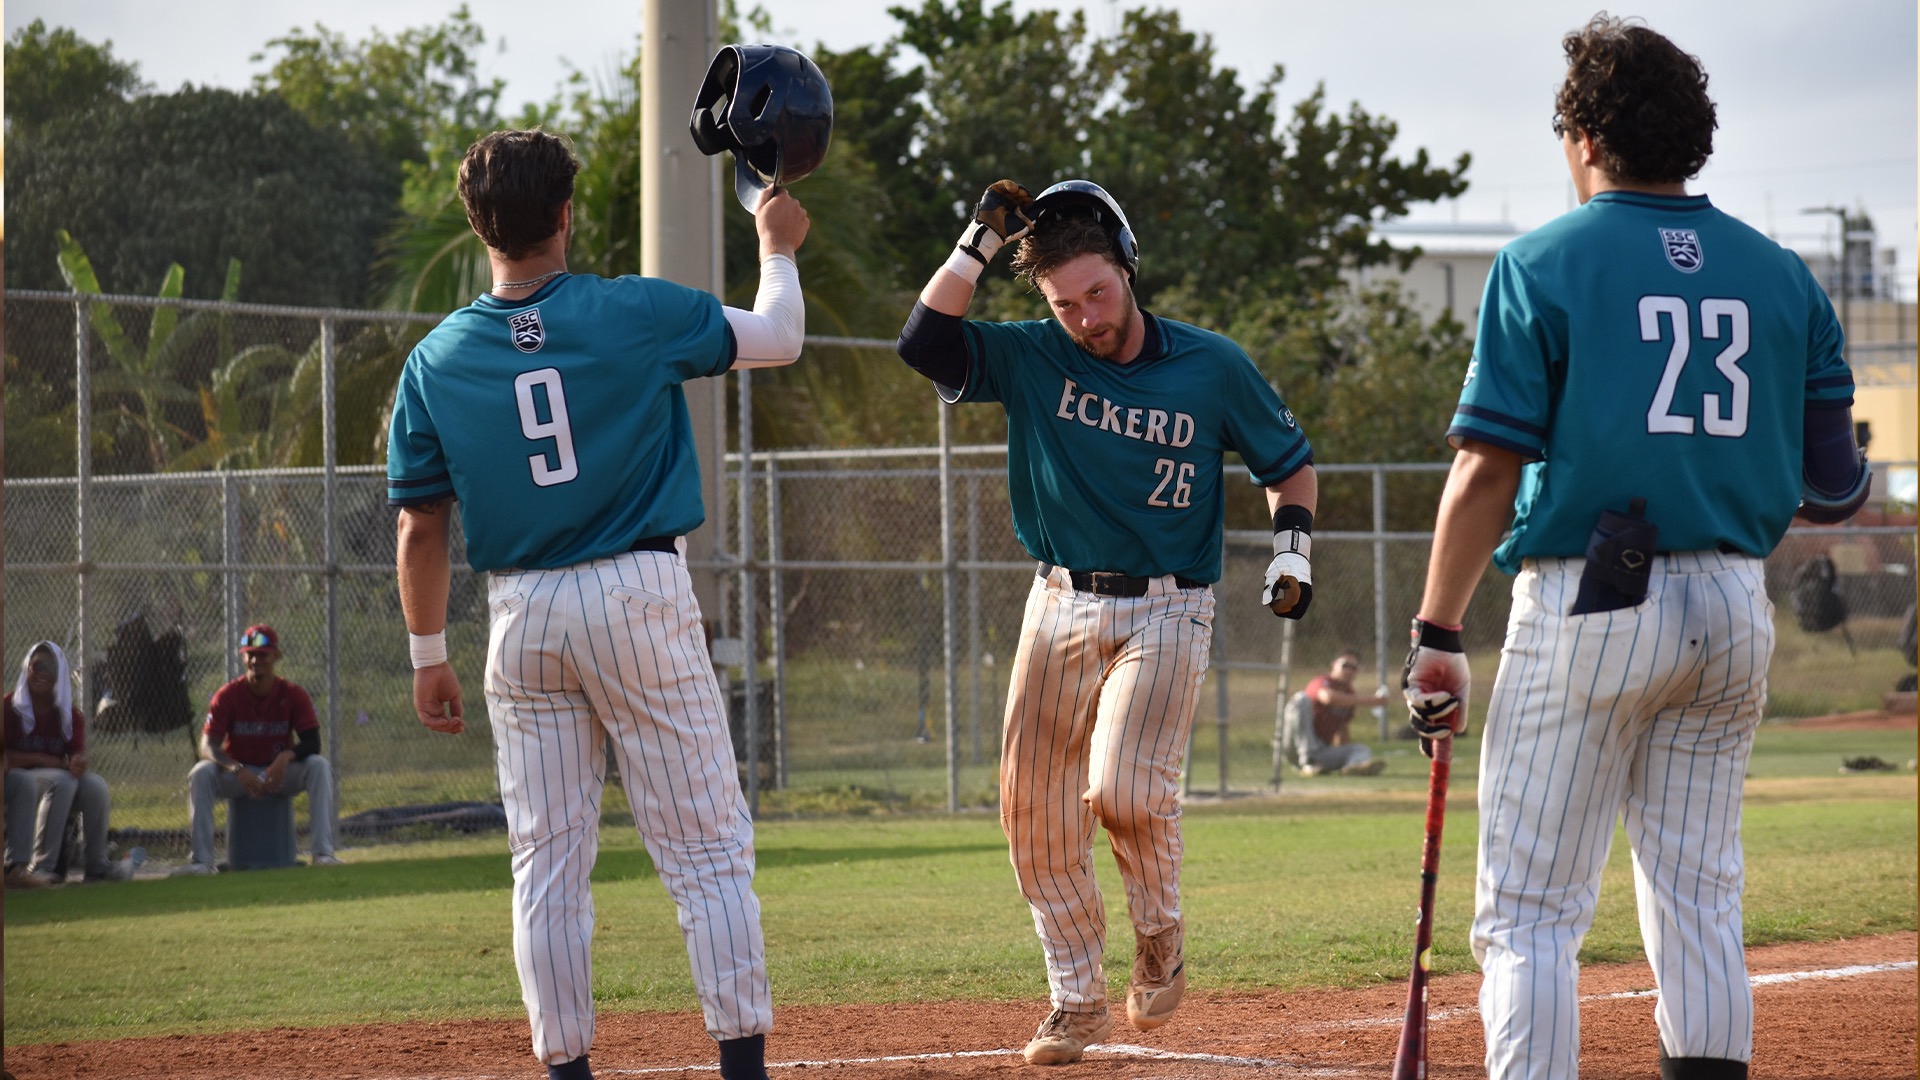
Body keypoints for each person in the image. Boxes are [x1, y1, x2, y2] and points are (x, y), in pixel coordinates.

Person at [1400, 16, 1872, 1080]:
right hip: (1733, 606)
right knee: (1698, 890)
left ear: (1582, 137)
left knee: (1529, 911)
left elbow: (1484, 471)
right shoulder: (1783, 275)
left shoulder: (1540, 263)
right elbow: (1837, 487)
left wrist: (1436, 629)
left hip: (1591, 600)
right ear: (1693, 135)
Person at [387, 128, 811, 1080]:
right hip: (635, 592)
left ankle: (566, 1071)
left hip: (520, 615)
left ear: (476, 226)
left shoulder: (436, 358)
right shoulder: (635, 313)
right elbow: (778, 337)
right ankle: (741, 1067)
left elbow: (420, 530)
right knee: (703, 843)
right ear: (565, 214)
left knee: (546, 861)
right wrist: (775, 245)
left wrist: (426, 654)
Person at [896, 178, 1318, 1064]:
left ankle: (1159, 936)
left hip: (1169, 604)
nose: (1087, 317)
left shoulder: (1212, 363)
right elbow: (924, 341)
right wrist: (976, 242)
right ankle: (1076, 1001)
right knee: (1033, 815)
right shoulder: (1032, 355)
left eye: (1098, 291)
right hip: (1054, 604)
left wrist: (1291, 551)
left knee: (1124, 788)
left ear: (1127, 269)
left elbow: (1288, 464)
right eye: (1064, 303)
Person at [176, 624, 339, 874]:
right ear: (243, 656)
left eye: (263, 654)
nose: (256, 660)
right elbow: (207, 746)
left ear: (276, 656)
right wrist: (236, 768)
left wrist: (286, 756)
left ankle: (323, 854)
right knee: (201, 773)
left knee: (319, 766)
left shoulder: (293, 694)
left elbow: (312, 742)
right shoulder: (228, 695)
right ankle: (201, 862)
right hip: (242, 774)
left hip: (278, 773)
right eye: (250, 654)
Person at [4, 641, 128, 887]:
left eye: (49, 667)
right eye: (36, 665)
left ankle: (97, 866)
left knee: (95, 786)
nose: (41, 672)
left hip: (55, 780)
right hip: (16, 779)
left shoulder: (69, 715)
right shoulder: (8, 708)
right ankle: (41, 867)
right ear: (26, 669)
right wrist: (40, 759)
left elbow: (76, 754)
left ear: (58, 673)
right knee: (61, 781)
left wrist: (78, 762)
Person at [1285, 652, 1388, 776]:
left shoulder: (1350, 695)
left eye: (1353, 668)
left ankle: (1353, 767)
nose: (1349, 670)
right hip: (1295, 746)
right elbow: (1328, 697)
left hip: (1320, 750)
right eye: (1345, 665)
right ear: (1334, 665)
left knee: (1361, 749)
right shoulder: (1322, 681)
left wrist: (1342, 755)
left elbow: (1341, 732)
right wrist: (1371, 701)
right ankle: (1308, 761)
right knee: (1301, 699)